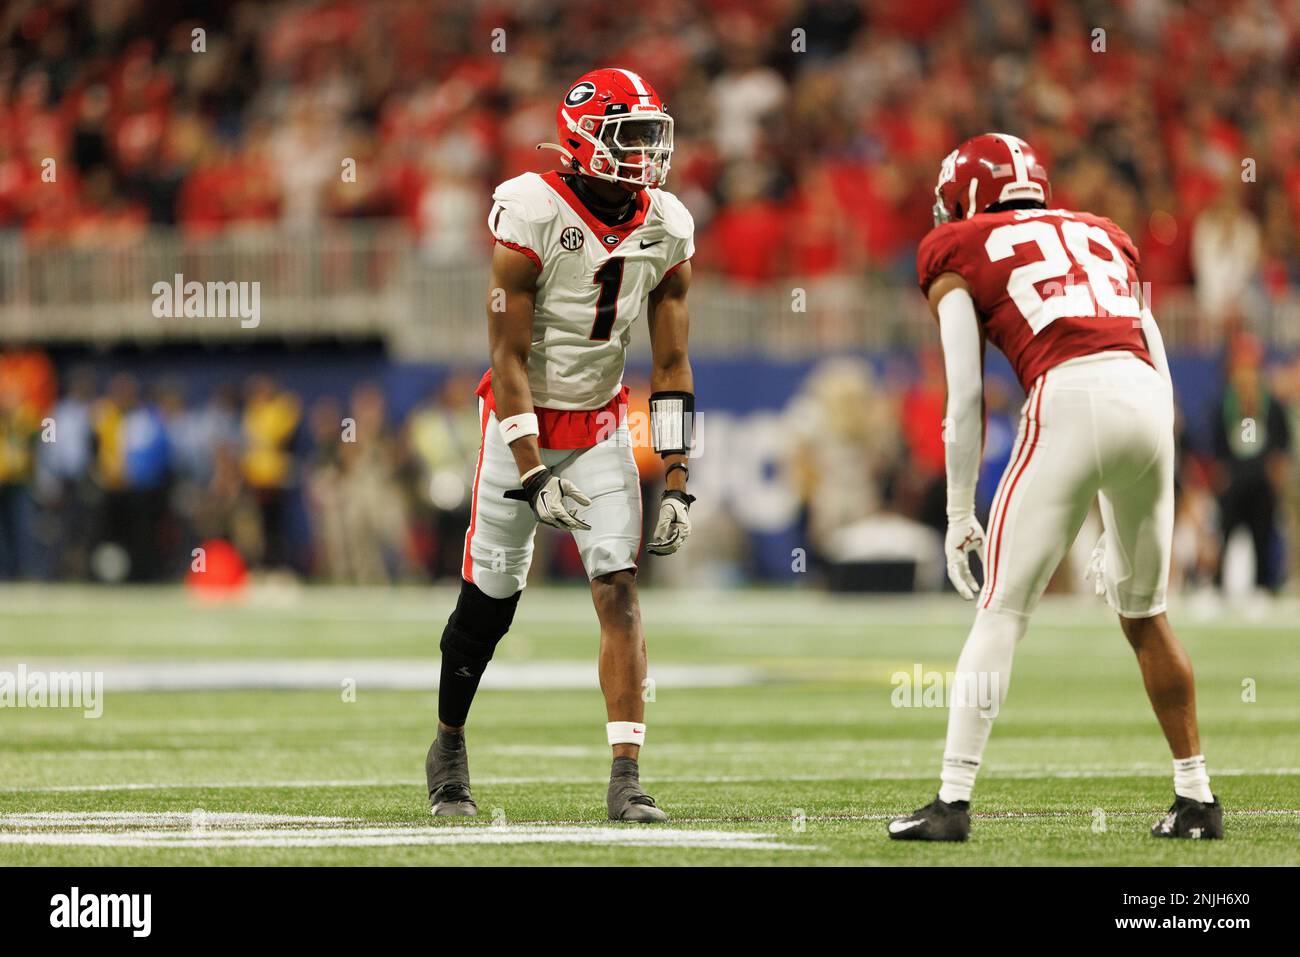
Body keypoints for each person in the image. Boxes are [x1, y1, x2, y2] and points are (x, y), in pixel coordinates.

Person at [889, 134, 1222, 842]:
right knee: (1146, 612)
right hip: (1147, 403)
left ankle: (951, 801)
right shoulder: (1101, 232)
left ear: (965, 198)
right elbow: (1147, 357)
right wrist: (1128, 494)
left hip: (1065, 395)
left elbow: (966, 394)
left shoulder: (957, 244)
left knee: (1003, 607)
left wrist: (956, 511)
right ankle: (1197, 795)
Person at [424, 69, 697, 823]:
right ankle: (448, 743)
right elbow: (506, 359)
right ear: (586, 138)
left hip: (603, 423)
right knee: (492, 599)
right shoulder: (532, 208)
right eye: (630, 135)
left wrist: (675, 474)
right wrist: (532, 469)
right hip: (523, 424)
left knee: (618, 583)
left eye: (652, 134)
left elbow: (670, 365)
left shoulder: (667, 223)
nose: (647, 151)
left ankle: (627, 775)